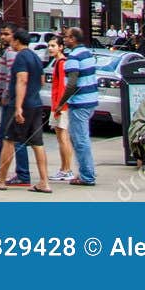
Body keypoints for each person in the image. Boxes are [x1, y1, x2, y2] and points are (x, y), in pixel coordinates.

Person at [0, 27, 52, 192]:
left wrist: (18, 106)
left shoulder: (21, 57)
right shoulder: (35, 57)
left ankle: (0, 180)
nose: (10, 43)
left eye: (12, 39)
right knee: (37, 143)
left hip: (23, 105)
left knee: (8, 140)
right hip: (36, 103)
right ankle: (44, 182)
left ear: (17, 41)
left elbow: (22, 80)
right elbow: (42, 80)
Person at [0, 23, 30, 188]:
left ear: (15, 37)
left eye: (7, 34)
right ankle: (0, 170)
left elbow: (13, 79)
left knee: (10, 137)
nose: (3, 37)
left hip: (11, 101)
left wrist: (5, 96)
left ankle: (20, 173)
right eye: (2, 34)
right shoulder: (13, 53)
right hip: (12, 100)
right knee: (7, 137)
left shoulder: (13, 54)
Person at [59, 27, 98, 187]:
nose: (64, 39)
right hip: (91, 100)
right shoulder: (87, 53)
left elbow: (72, 84)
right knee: (82, 137)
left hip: (80, 102)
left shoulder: (73, 57)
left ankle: (87, 175)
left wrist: (61, 103)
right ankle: (87, 171)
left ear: (73, 39)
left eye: (67, 37)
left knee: (80, 139)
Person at [45, 35, 75, 183]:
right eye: (49, 45)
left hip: (60, 106)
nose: (50, 48)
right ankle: (64, 169)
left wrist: (58, 107)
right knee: (62, 138)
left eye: (53, 46)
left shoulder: (61, 63)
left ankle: (66, 169)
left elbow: (63, 87)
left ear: (61, 47)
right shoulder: (58, 62)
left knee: (63, 138)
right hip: (59, 105)